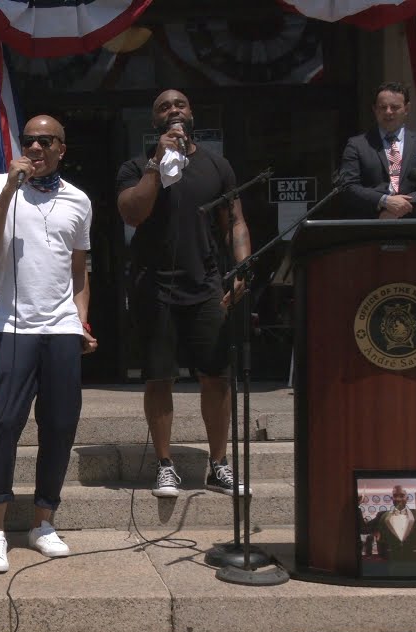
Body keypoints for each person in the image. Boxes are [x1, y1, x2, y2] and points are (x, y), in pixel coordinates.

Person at [0, 115, 97, 574]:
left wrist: (82, 319)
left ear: (62, 148)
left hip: (62, 327)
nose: (37, 146)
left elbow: (79, 269)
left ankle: (43, 521)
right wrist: (10, 187)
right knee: (3, 424)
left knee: (60, 425)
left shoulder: (78, 201)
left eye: (47, 140)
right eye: (30, 140)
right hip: (13, 324)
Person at [115, 89, 251, 499]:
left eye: (180, 105)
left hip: (205, 284)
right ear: (154, 120)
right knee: (160, 377)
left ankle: (218, 464)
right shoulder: (137, 166)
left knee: (216, 376)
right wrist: (156, 165)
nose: (173, 110)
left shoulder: (216, 165)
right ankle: (165, 464)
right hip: (153, 287)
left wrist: (242, 266)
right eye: (163, 107)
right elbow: (131, 212)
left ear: (192, 113)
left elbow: (236, 222)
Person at [339, 82, 416, 220]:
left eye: (395, 107)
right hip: (372, 222)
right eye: (383, 107)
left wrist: (399, 207)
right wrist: (384, 200)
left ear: (406, 109)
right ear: (375, 109)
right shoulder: (357, 145)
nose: (388, 112)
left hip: (415, 224)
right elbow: (348, 186)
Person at [362, 485, 416, 576]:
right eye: (395, 496)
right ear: (392, 498)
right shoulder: (382, 515)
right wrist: (357, 505)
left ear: (407, 498)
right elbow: (363, 529)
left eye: (402, 495)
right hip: (391, 563)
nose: (398, 499)